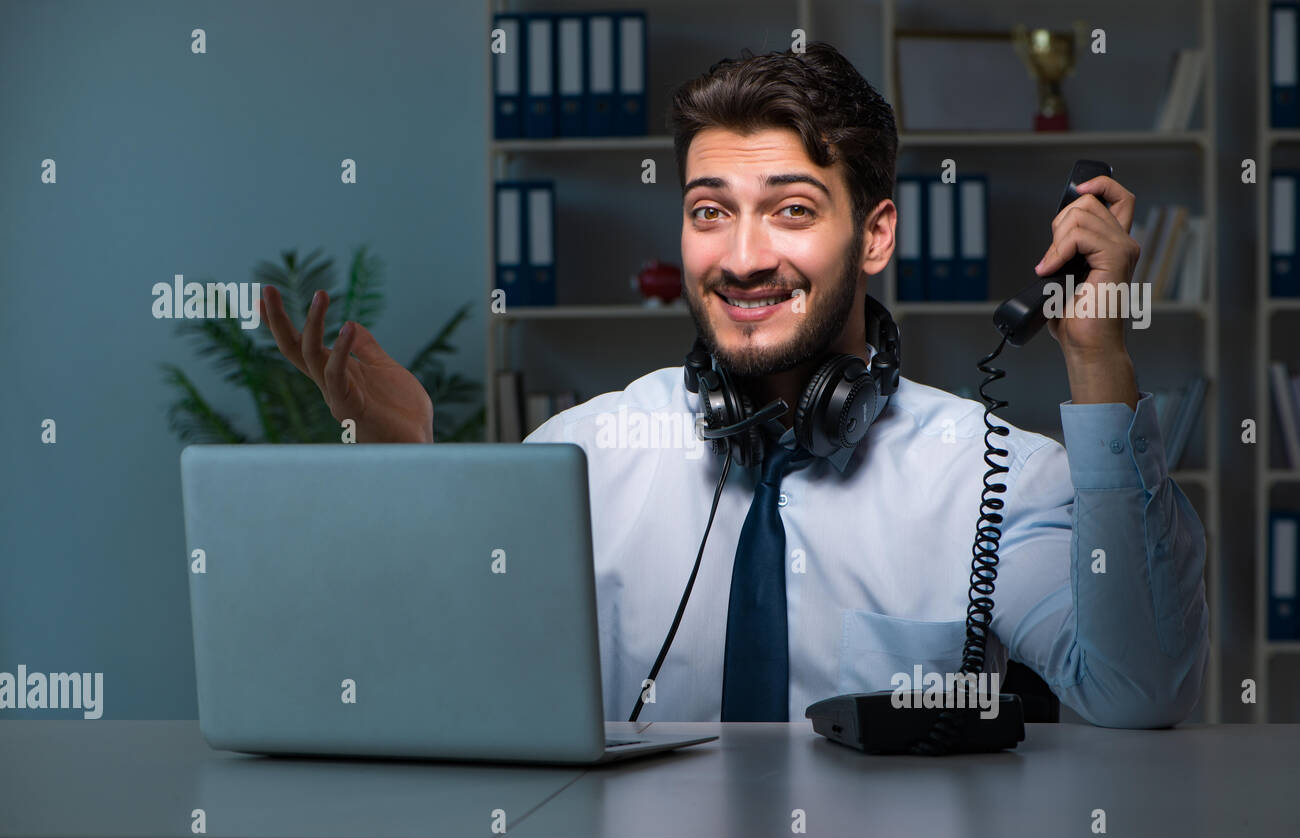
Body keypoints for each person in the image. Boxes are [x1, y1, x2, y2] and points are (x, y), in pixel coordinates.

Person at [261, 42, 1208, 729]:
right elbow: (452, 693)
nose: (744, 257)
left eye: (791, 211)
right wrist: (408, 469)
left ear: (875, 235)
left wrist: (1096, 358)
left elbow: (1139, 689)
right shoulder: (579, 457)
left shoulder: (999, 474)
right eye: (710, 211)